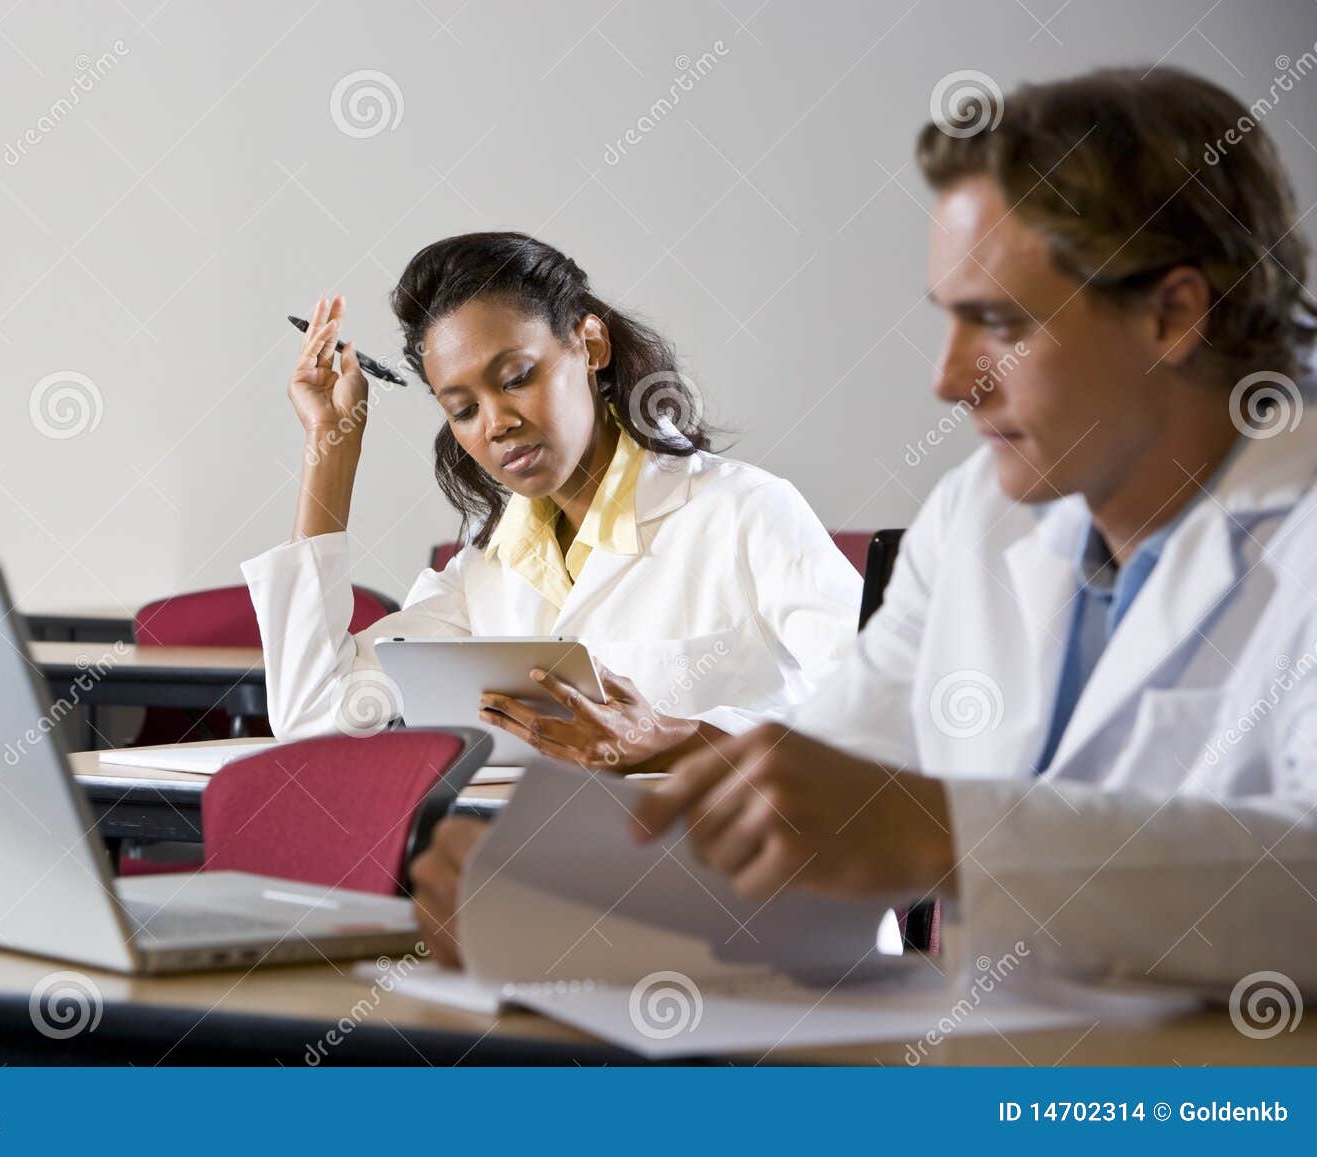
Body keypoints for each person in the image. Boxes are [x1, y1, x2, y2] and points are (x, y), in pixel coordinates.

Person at [413, 67, 1317, 994]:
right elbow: (816, 791)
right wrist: (550, 897)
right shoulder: (982, 517)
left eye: (999, 322)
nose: (950, 377)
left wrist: (950, 835)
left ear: (1171, 315)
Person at [242, 232, 862, 770]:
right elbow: (317, 716)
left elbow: (891, 714)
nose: (495, 423)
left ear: (590, 345)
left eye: (516, 379)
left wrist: (683, 739)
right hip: (573, 888)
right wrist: (330, 445)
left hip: (748, 895)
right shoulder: (487, 573)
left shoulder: (743, 511)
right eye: (462, 410)